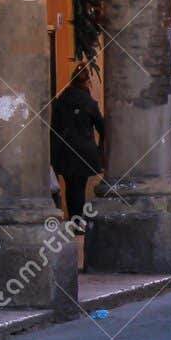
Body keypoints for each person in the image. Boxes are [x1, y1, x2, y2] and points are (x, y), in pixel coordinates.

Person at [50, 65, 105, 223]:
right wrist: (100, 148)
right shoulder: (89, 103)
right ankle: (77, 221)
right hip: (84, 150)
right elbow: (102, 127)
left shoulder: (60, 102)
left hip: (65, 150)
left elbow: (54, 127)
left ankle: (73, 220)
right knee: (79, 187)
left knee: (69, 186)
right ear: (87, 82)